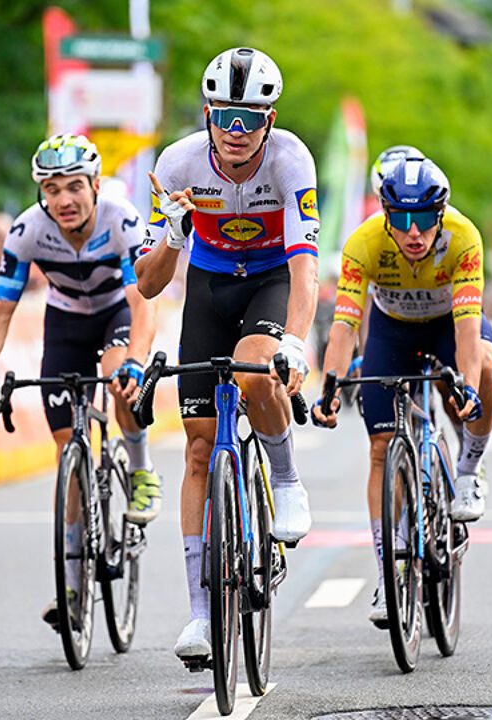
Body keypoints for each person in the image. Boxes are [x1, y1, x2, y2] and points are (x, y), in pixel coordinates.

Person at [136, 46, 319, 662]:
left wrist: (294, 342)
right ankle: (200, 614)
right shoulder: (179, 163)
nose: (236, 132)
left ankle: (287, 478)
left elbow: (305, 267)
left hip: (272, 276)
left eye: (251, 119)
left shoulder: (291, 159)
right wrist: (174, 233)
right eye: (224, 116)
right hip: (211, 284)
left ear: (270, 120)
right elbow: (151, 282)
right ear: (207, 113)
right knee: (196, 443)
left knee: (256, 372)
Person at [0, 134, 161, 629]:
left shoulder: (122, 220)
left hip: (117, 311)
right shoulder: (27, 231)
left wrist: (136, 362)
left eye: (74, 186)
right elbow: (1, 309)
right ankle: (72, 590)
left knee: (120, 380)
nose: (64, 200)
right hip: (67, 322)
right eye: (52, 189)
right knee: (64, 449)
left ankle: (140, 471)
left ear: (96, 185)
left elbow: (143, 300)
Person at [309, 157, 492, 625]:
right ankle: (387, 574)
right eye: (401, 220)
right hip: (393, 333)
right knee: (380, 449)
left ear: (441, 216)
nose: (414, 233)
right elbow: (345, 325)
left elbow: (468, 327)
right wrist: (330, 386)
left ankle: (469, 468)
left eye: (424, 221)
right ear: (386, 216)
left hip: (447, 325)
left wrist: (469, 388)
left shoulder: (464, 237)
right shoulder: (365, 243)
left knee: (487, 368)